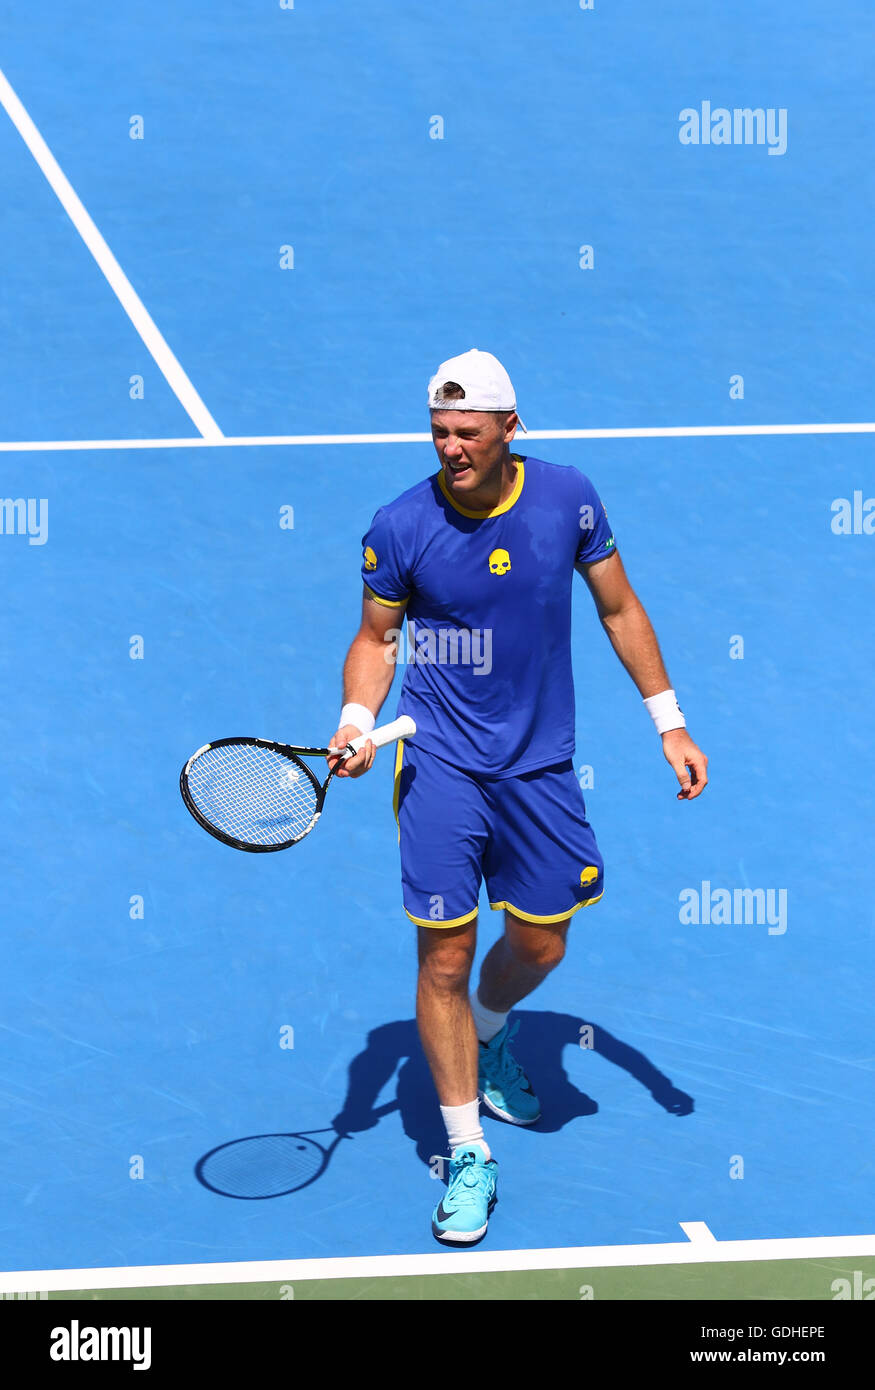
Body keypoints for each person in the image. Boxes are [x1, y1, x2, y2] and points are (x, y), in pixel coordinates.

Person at [327, 349, 708, 1243]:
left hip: (540, 765)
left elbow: (619, 609)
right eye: (438, 432)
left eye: (467, 432)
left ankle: (490, 1032)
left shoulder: (568, 499)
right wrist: (353, 715)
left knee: (540, 943)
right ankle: (466, 1152)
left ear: (510, 428)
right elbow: (376, 639)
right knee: (445, 962)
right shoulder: (400, 525)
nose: (450, 447)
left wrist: (670, 721)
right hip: (439, 766)